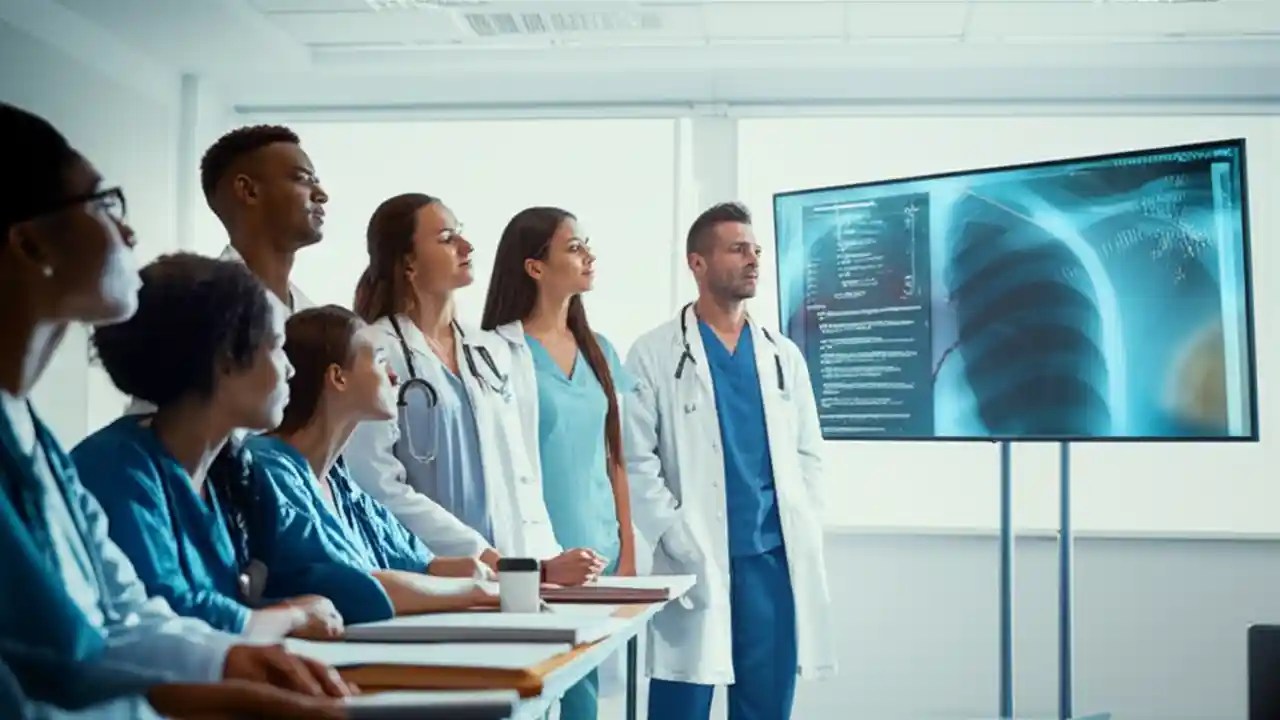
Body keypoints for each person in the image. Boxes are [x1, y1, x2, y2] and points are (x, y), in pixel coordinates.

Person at [0, 102, 349, 718]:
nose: (129, 235)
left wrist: (229, 661)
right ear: (29, 243)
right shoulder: (115, 462)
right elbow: (60, 655)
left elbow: (123, 615)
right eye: (105, 205)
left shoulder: (36, 440)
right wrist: (234, 667)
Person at [624, 202, 837, 720]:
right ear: (697, 263)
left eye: (756, 249)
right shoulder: (653, 352)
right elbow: (635, 459)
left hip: (771, 562)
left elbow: (809, 451)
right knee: (681, 706)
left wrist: (803, 516)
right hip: (694, 560)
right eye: (737, 249)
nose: (753, 259)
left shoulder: (782, 354)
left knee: (765, 708)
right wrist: (676, 537)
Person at [72, 253, 348, 640]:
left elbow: (249, 594)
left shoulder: (231, 472)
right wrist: (290, 616)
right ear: (226, 360)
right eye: (278, 347)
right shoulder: (115, 469)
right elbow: (167, 611)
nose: (291, 369)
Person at [344, 193, 605, 586]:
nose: (466, 247)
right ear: (408, 262)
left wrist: (543, 561)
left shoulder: (490, 351)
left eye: (461, 235)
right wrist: (480, 554)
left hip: (516, 569)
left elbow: (521, 476)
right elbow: (376, 485)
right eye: (447, 238)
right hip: (433, 572)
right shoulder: (375, 350)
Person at [481, 205, 638, 720]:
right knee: (534, 691)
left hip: (602, 552)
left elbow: (615, 455)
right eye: (574, 247)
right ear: (535, 266)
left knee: (584, 698)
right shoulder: (497, 352)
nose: (589, 255)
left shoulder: (601, 351)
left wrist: (629, 551)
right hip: (540, 557)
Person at [243, 304, 499, 619]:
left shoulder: (339, 482)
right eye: (379, 360)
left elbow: (420, 565)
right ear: (338, 377)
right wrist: (475, 590)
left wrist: (481, 570)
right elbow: (362, 589)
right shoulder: (268, 470)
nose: (394, 375)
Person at [200, 123, 326, 315]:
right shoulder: (200, 308)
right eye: (302, 178)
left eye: (315, 182)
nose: (322, 195)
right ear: (249, 191)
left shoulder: (313, 316)